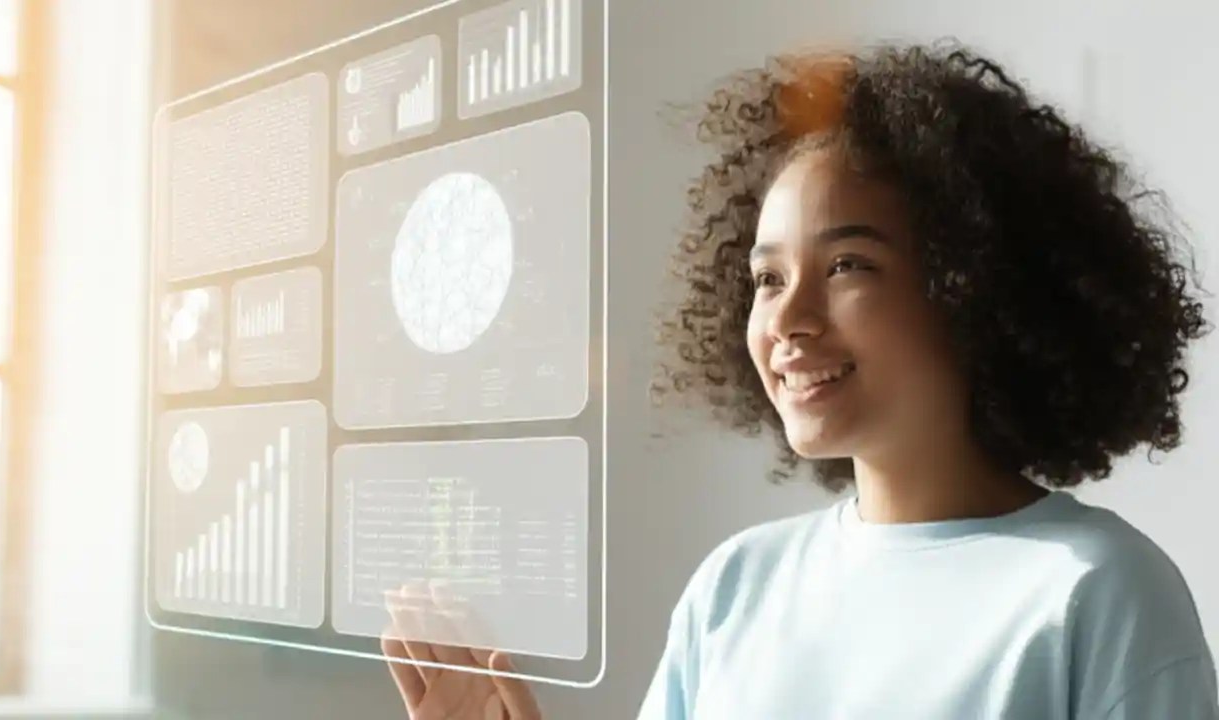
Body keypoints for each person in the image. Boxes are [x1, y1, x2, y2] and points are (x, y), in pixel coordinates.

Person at [381, 41, 1219, 719]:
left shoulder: (1096, 591)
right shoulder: (734, 587)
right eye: (768, 279)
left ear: (974, 285)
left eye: (849, 265)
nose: (787, 322)